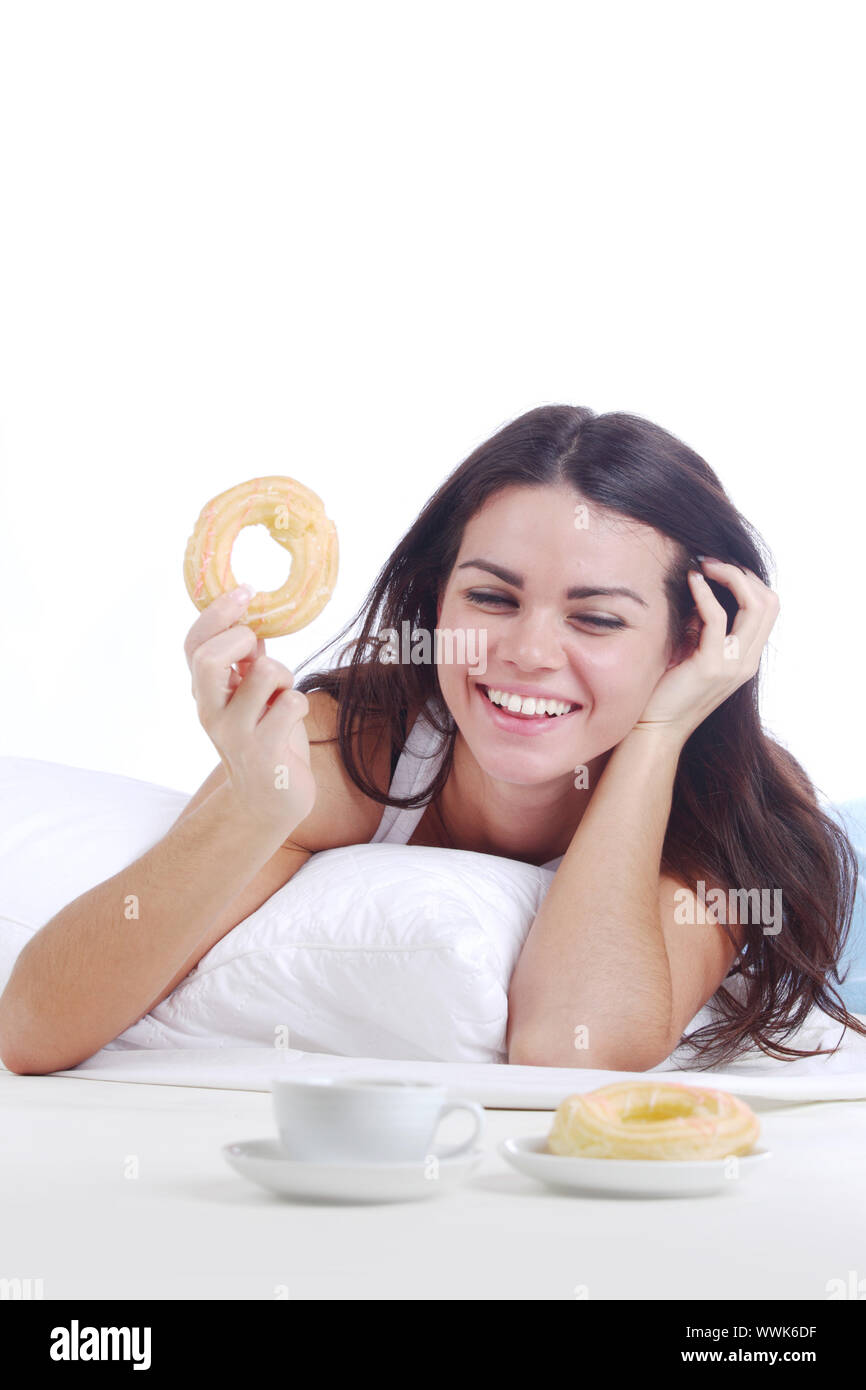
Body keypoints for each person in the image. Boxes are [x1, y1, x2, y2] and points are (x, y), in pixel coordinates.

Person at [2, 404, 862, 1075]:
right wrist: (254, 811)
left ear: (689, 642)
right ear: (436, 601)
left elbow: (570, 1047)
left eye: (596, 618)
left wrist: (660, 730)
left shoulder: (732, 797)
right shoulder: (354, 743)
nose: (526, 654)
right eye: (490, 598)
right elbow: (32, 1031)